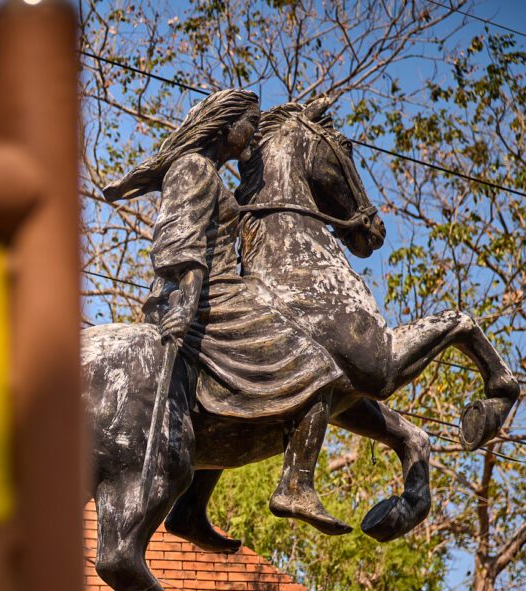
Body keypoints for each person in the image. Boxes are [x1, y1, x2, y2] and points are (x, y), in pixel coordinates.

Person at [102, 88, 350, 539]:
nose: (254, 133)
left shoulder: (210, 173)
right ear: (226, 125)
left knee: (248, 387)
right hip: (205, 296)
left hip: (217, 291)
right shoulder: (194, 168)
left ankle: (191, 511)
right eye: (250, 123)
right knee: (312, 361)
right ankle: (296, 486)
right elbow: (183, 245)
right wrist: (189, 303)